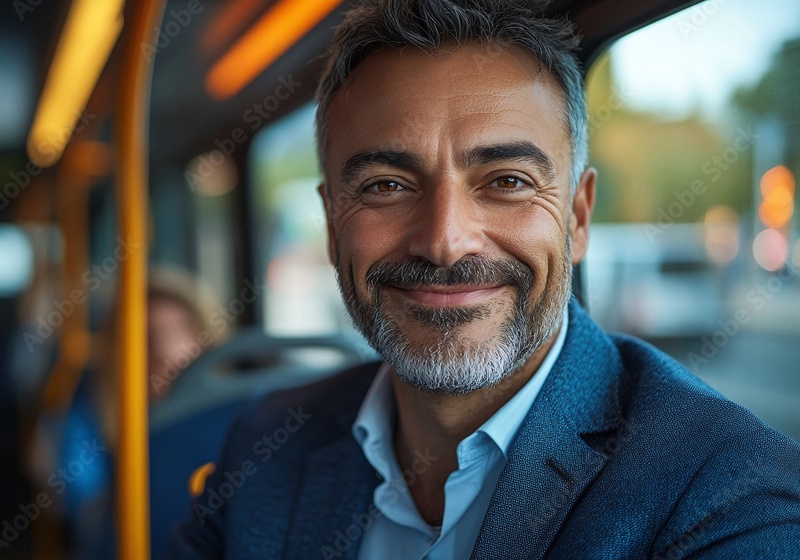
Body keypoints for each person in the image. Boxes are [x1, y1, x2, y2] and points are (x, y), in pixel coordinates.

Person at [167, 0, 800, 558]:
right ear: (333, 225)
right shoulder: (264, 443)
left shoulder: (730, 499)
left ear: (577, 218)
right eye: (387, 186)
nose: (445, 242)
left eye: (507, 182)